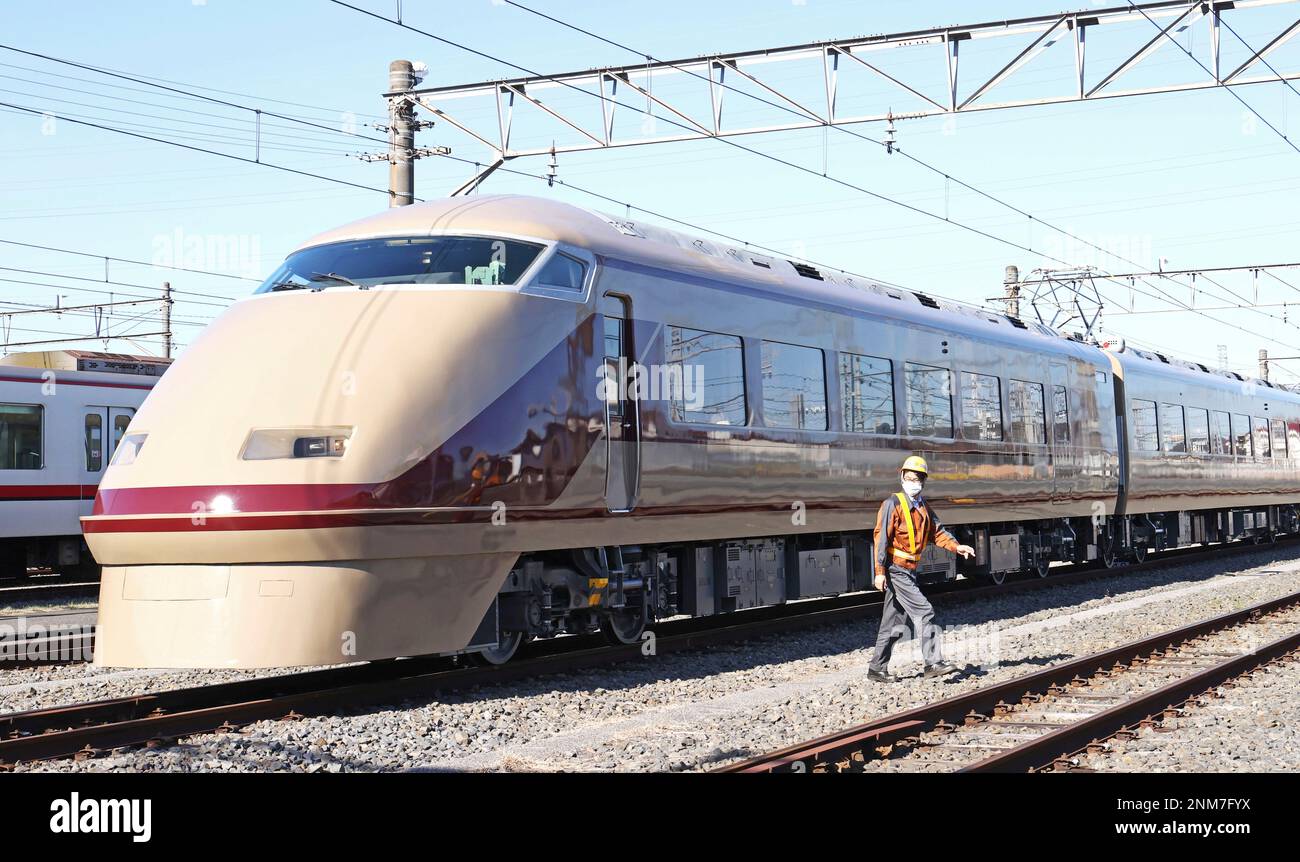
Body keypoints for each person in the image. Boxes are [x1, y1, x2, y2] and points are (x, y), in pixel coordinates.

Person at [867, 455, 975, 682]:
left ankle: (877, 669)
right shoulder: (892, 504)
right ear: (902, 478)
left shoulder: (924, 507)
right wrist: (879, 572)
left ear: (923, 481)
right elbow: (881, 539)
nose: (912, 482)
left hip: (909, 571)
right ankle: (933, 663)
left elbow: (938, 533)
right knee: (924, 612)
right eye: (908, 478)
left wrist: (957, 547)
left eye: (917, 479)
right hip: (896, 570)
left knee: (893, 623)